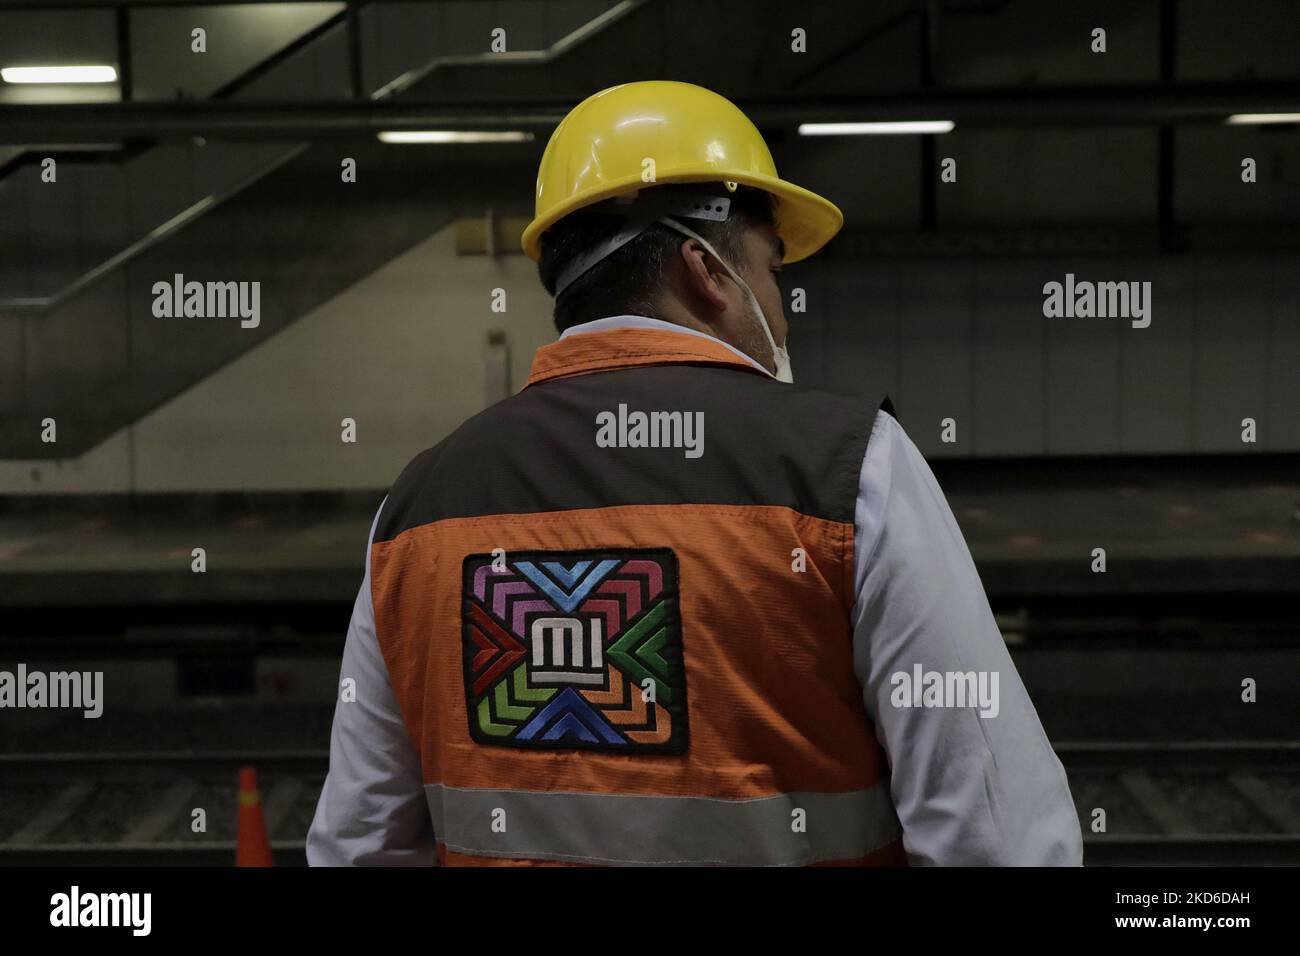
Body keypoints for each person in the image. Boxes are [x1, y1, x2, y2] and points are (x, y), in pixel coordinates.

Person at [307, 80, 1083, 866]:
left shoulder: (418, 506)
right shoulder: (851, 471)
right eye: (774, 272)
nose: (781, 312)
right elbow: (999, 838)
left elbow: (356, 845)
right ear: (706, 268)